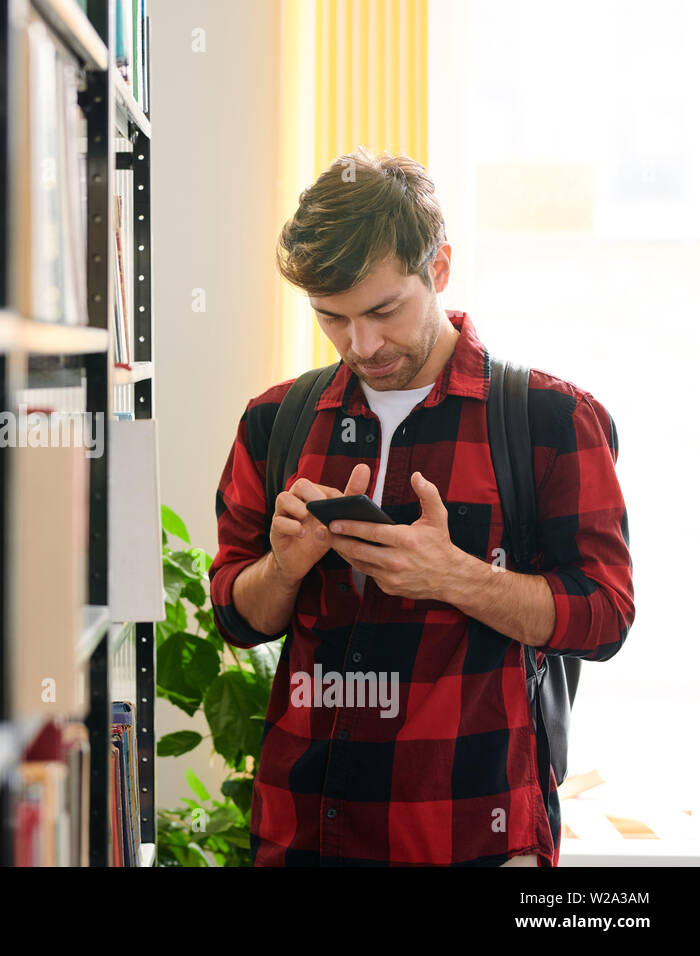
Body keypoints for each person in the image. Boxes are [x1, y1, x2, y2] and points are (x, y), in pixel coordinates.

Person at [210, 147, 634, 866]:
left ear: (438, 269)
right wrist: (282, 571)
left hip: (475, 835)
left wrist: (455, 577)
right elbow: (234, 615)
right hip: (301, 831)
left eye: (383, 310)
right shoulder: (274, 420)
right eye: (332, 318)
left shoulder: (551, 420)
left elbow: (605, 617)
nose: (362, 344)